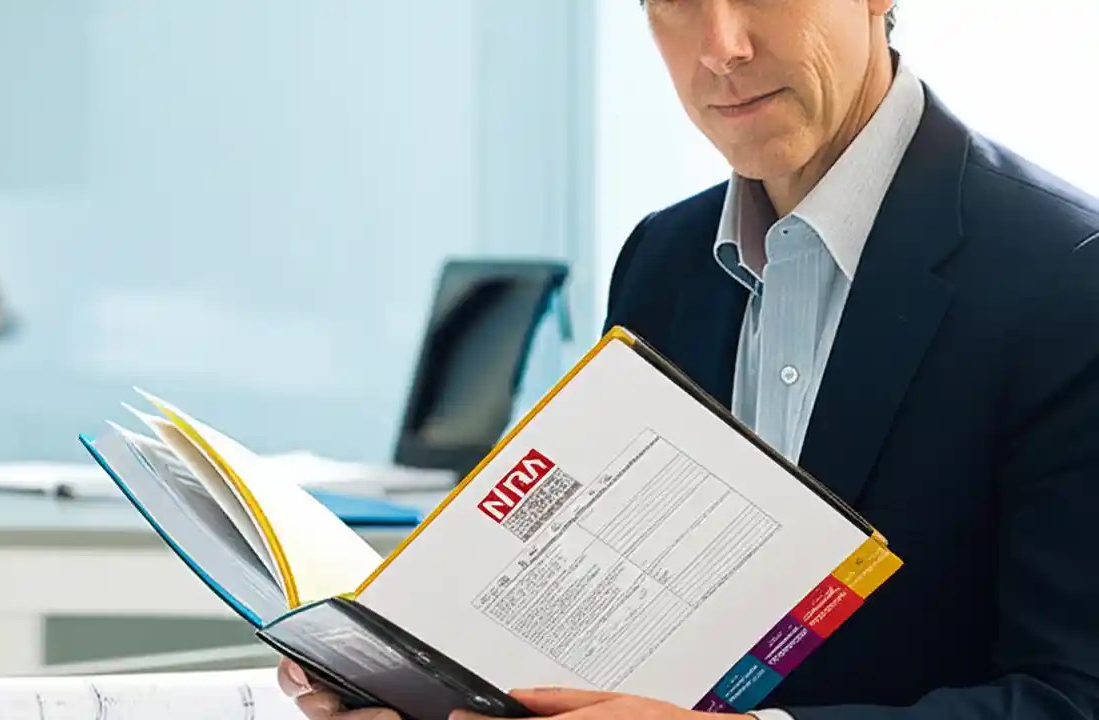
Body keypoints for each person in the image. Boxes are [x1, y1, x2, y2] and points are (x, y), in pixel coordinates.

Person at [279, 0, 1099, 717]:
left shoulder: (1069, 274)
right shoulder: (661, 260)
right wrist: (424, 692)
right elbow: (601, 639)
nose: (720, 46)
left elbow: (1073, 697)